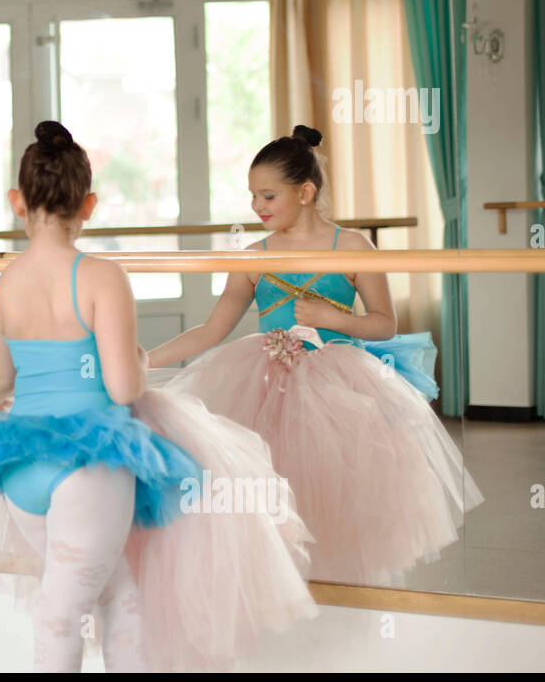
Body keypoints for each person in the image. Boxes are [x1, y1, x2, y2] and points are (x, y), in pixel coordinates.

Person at [0, 121, 316, 672]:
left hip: (19, 464)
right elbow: (124, 387)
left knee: (116, 593)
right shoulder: (100, 276)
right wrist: (134, 357)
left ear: (18, 202)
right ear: (89, 204)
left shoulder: (5, 283)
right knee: (62, 612)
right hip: (89, 461)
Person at [148, 125, 482, 585]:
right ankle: (282, 583)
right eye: (252, 196)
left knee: (330, 483)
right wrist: (145, 361)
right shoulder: (253, 256)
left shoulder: (351, 246)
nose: (256, 207)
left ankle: (335, 587)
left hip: (338, 385)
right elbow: (211, 330)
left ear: (304, 192)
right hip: (261, 381)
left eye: (268, 196)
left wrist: (334, 316)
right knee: (267, 479)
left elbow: (384, 323)